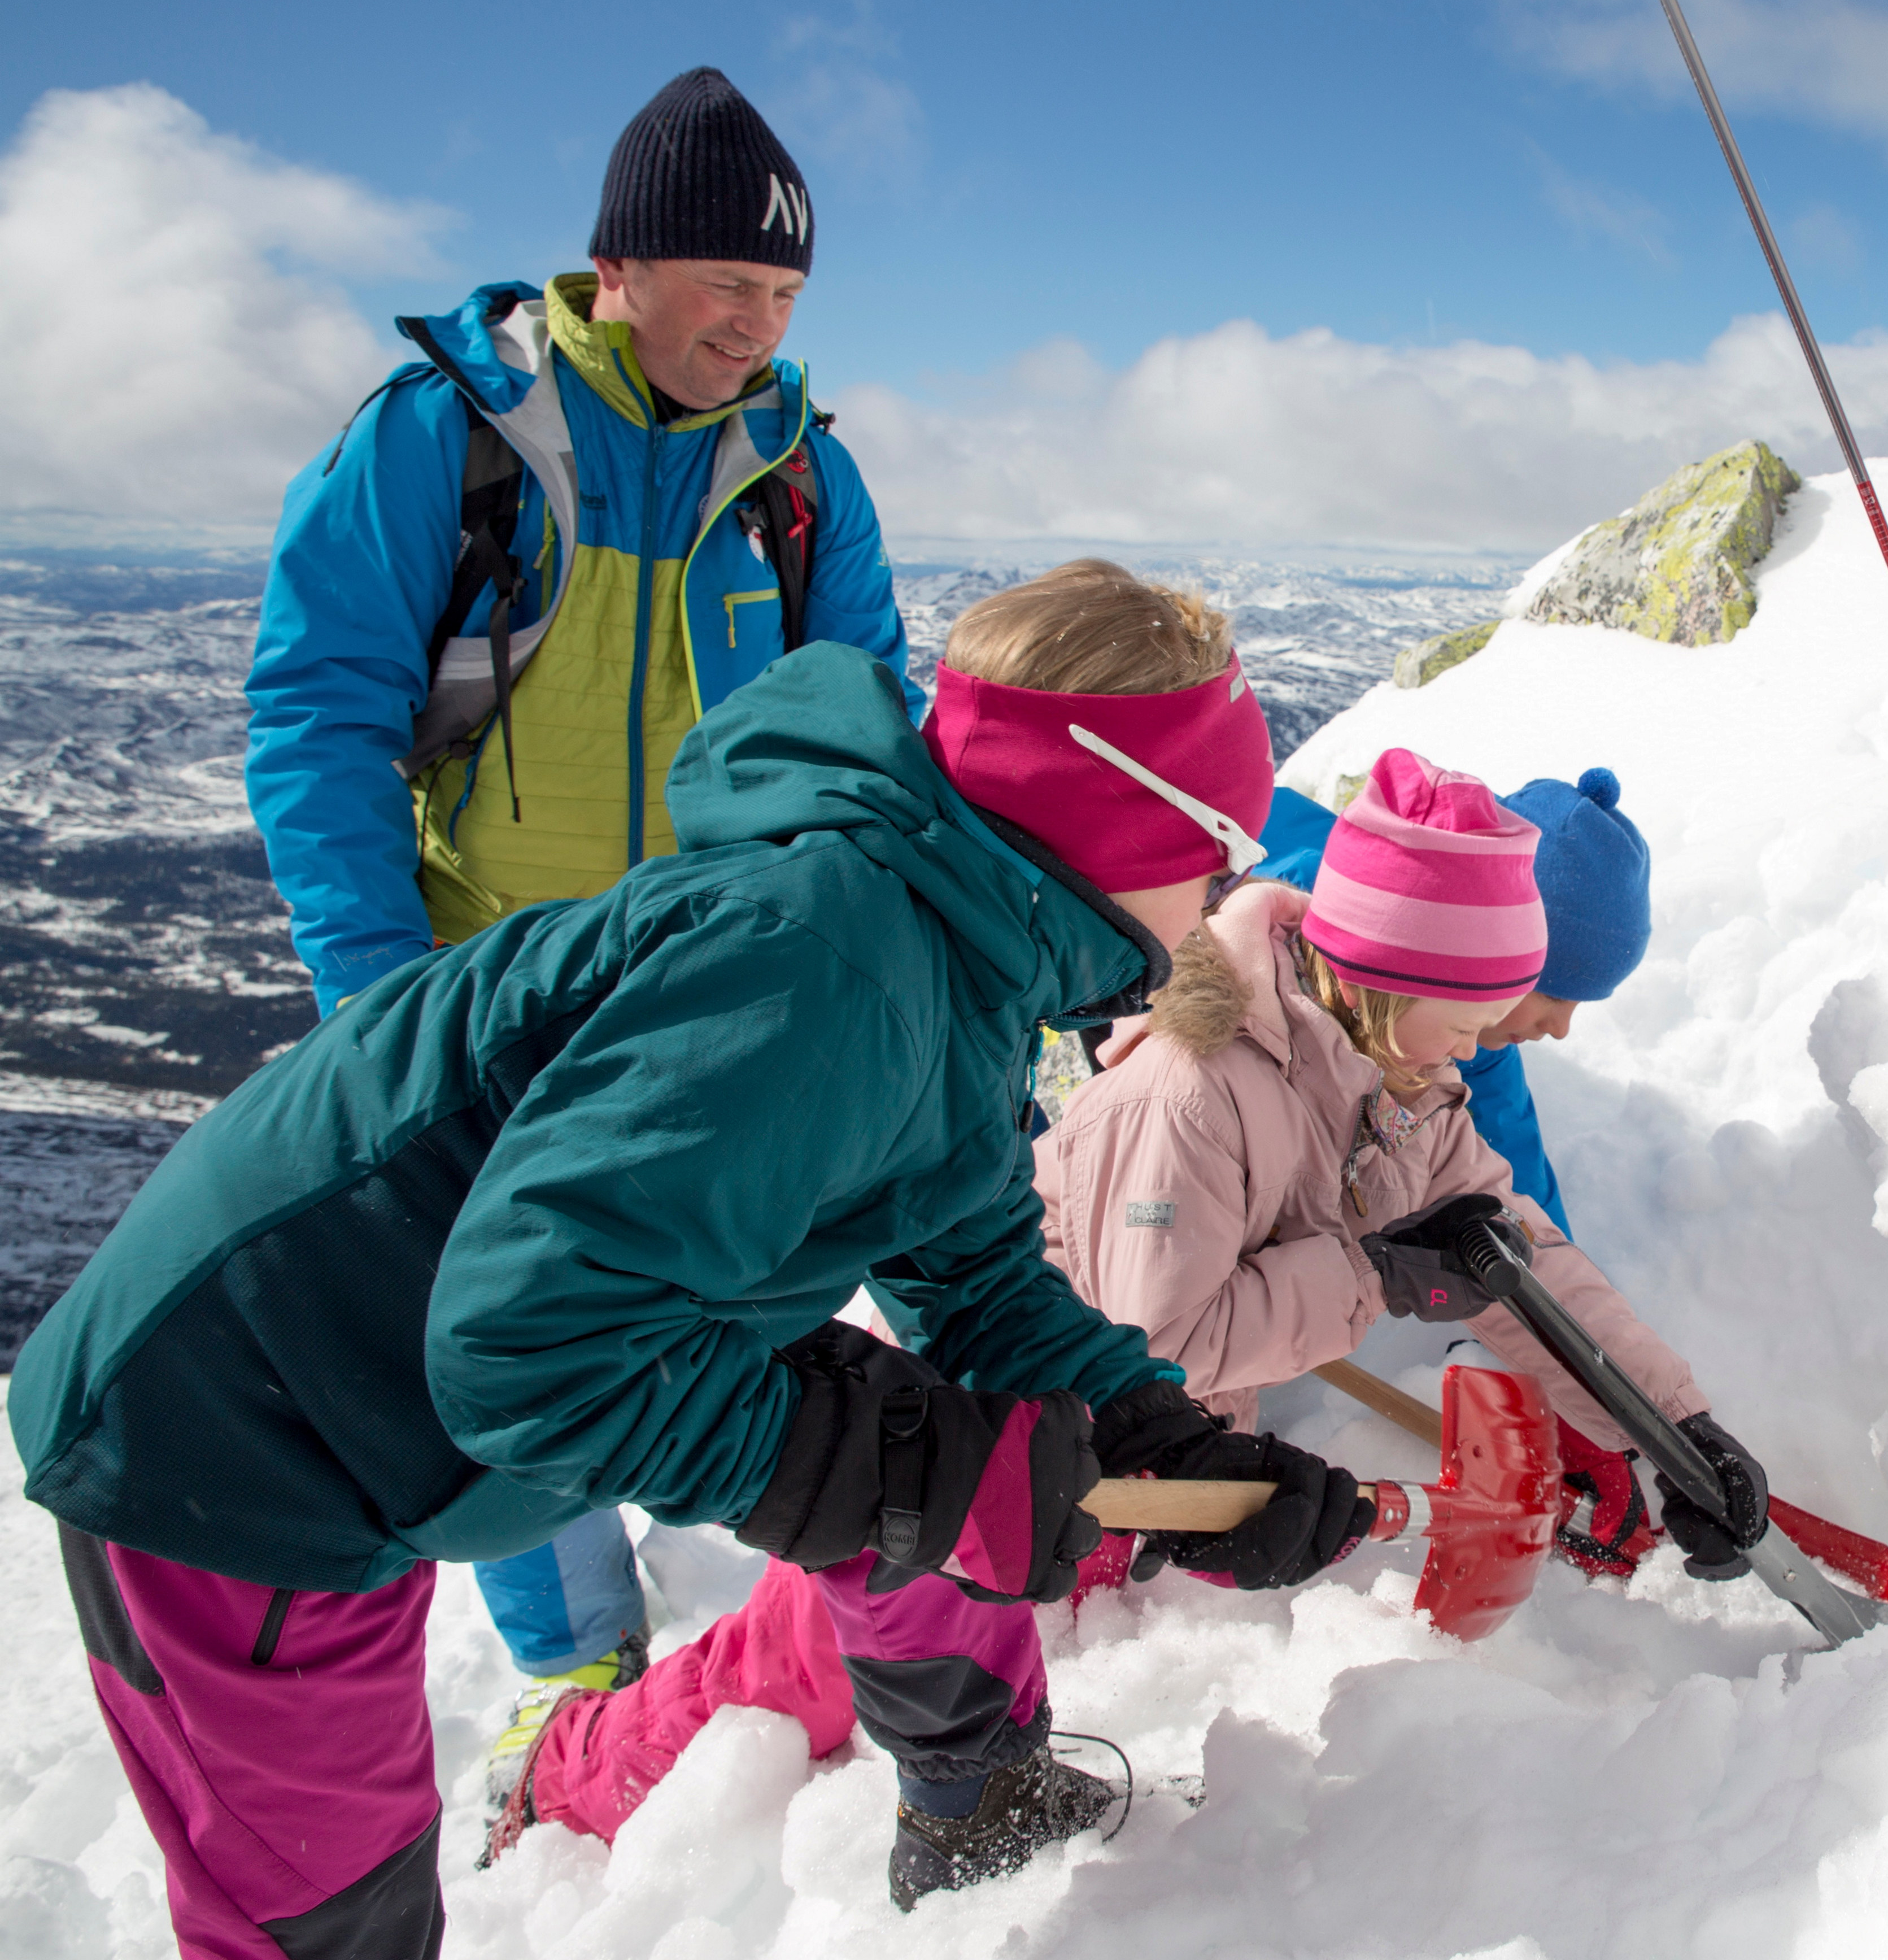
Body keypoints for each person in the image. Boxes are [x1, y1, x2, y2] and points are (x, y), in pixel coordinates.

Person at [12, 567, 1372, 1950]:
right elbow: (527, 1346)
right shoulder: (828, 957)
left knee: (951, 1457)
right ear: (1109, 821)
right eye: (1217, 847)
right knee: (322, 1896)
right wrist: (923, 1470)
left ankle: (978, 1789)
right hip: (239, 1418)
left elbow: (969, 1271)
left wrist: (1157, 1439)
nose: (1221, 891)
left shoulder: (953, 950)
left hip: (500, 1344)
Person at [239, 66, 923, 1775]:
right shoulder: (445, 437)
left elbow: (871, 725)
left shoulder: (800, 478)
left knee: (733, 1295)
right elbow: (319, 709)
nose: (758, 326)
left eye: (784, 297)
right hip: (476, 988)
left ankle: (832, 1610)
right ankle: (581, 1668)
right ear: (617, 266)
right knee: (481, 1346)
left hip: (718, 995)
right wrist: (380, 997)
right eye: (728, 286)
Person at [1036, 749, 1771, 1592]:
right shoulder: (1187, 1093)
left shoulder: (1405, 1080)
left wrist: (1671, 1426)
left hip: (1183, 1430)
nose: (1476, 1051)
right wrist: (1373, 1276)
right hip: (1045, 1411)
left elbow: (1515, 1254)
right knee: (1061, 1608)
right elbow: (1155, 1344)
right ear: (1382, 979)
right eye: (1467, 1020)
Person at [1246, 766, 1652, 1240]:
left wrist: (1550, 1286)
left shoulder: (1468, 1022)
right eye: (1554, 997)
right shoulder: (1302, 935)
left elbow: (1509, 1149)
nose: (1561, 1029)